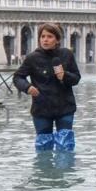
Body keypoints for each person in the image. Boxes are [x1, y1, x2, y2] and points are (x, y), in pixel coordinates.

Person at [13, 22, 81, 151]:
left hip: (65, 107)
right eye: (43, 36)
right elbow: (17, 77)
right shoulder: (32, 58)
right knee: (43, 148)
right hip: (41, 109)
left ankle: (64, 169)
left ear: (57, 39)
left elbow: (76, 78)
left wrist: (64, 76)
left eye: (49, 36)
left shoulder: (67, 54)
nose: (45, 39)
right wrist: (27, 87)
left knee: (65, 146)